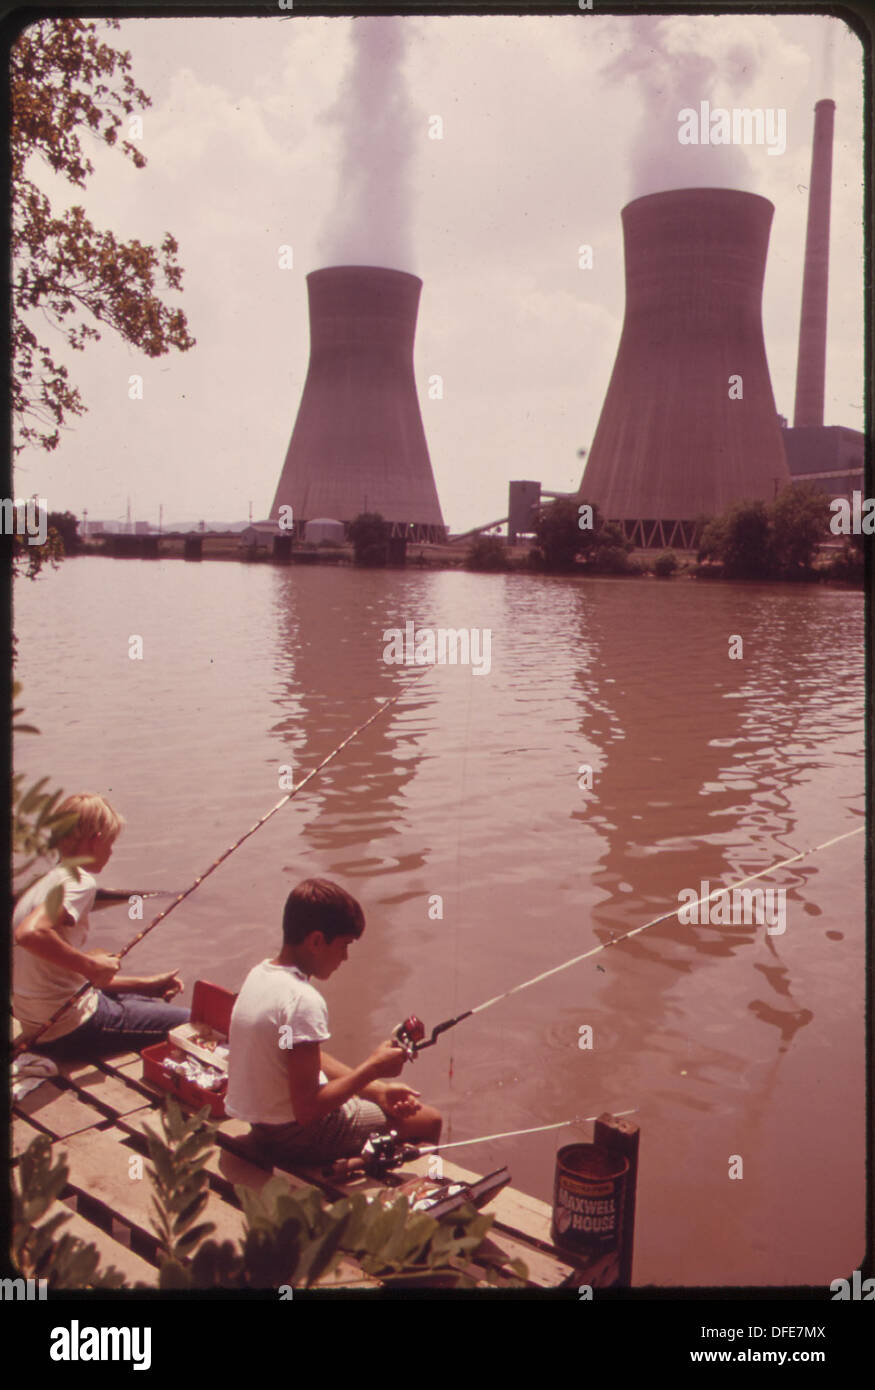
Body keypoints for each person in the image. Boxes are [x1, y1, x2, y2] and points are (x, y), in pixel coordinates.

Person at [225, 878, 442, 1167]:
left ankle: (364, 1161)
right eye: (344, 945)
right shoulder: (303, 1000)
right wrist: (373, 1068)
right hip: (299, 1137)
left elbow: (299, 1057)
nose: (345, 957)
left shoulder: (260, 976)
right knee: (429, 1120)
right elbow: (307, 1110)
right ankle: (423, 1194)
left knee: (383, 1107)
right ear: (316, 941)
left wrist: (376, 1090)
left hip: (262, 1127)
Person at [13, 793, 189, 1058]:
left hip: (39, 1024)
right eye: (110, 843)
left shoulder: (45, 883)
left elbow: (65, 979)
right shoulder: (79, 881)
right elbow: (29, 934)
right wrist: (92, 965)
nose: (110, 852)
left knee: (147, 1001)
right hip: (70, 1030)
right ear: (96, 841)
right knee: (190, 1021)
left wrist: (146, 984)